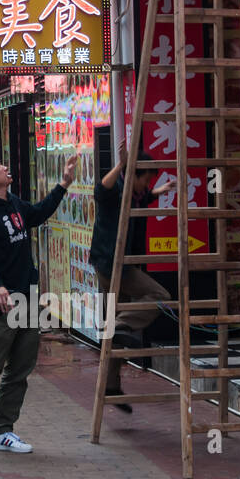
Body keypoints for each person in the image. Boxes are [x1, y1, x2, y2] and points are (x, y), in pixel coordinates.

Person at [0, 150, 77, 454]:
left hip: (26, 298)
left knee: (20, 368)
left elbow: (36, 214)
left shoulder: (13, 203)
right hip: (3, 304)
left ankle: (2, 431)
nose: (4, 167)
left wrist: (63, 184)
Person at [88, 145, 177, 411]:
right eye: (146, 179)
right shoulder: (117, 189)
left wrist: (157, 192)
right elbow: (102, 189)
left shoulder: (134, 193)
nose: (148, 184)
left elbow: (141, 198)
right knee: (160, 296)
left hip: (119, 266)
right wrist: (120, 165)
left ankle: (111, 385)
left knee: (112, 333)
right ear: (133, 175)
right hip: (113, 266)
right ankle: (125, 323)